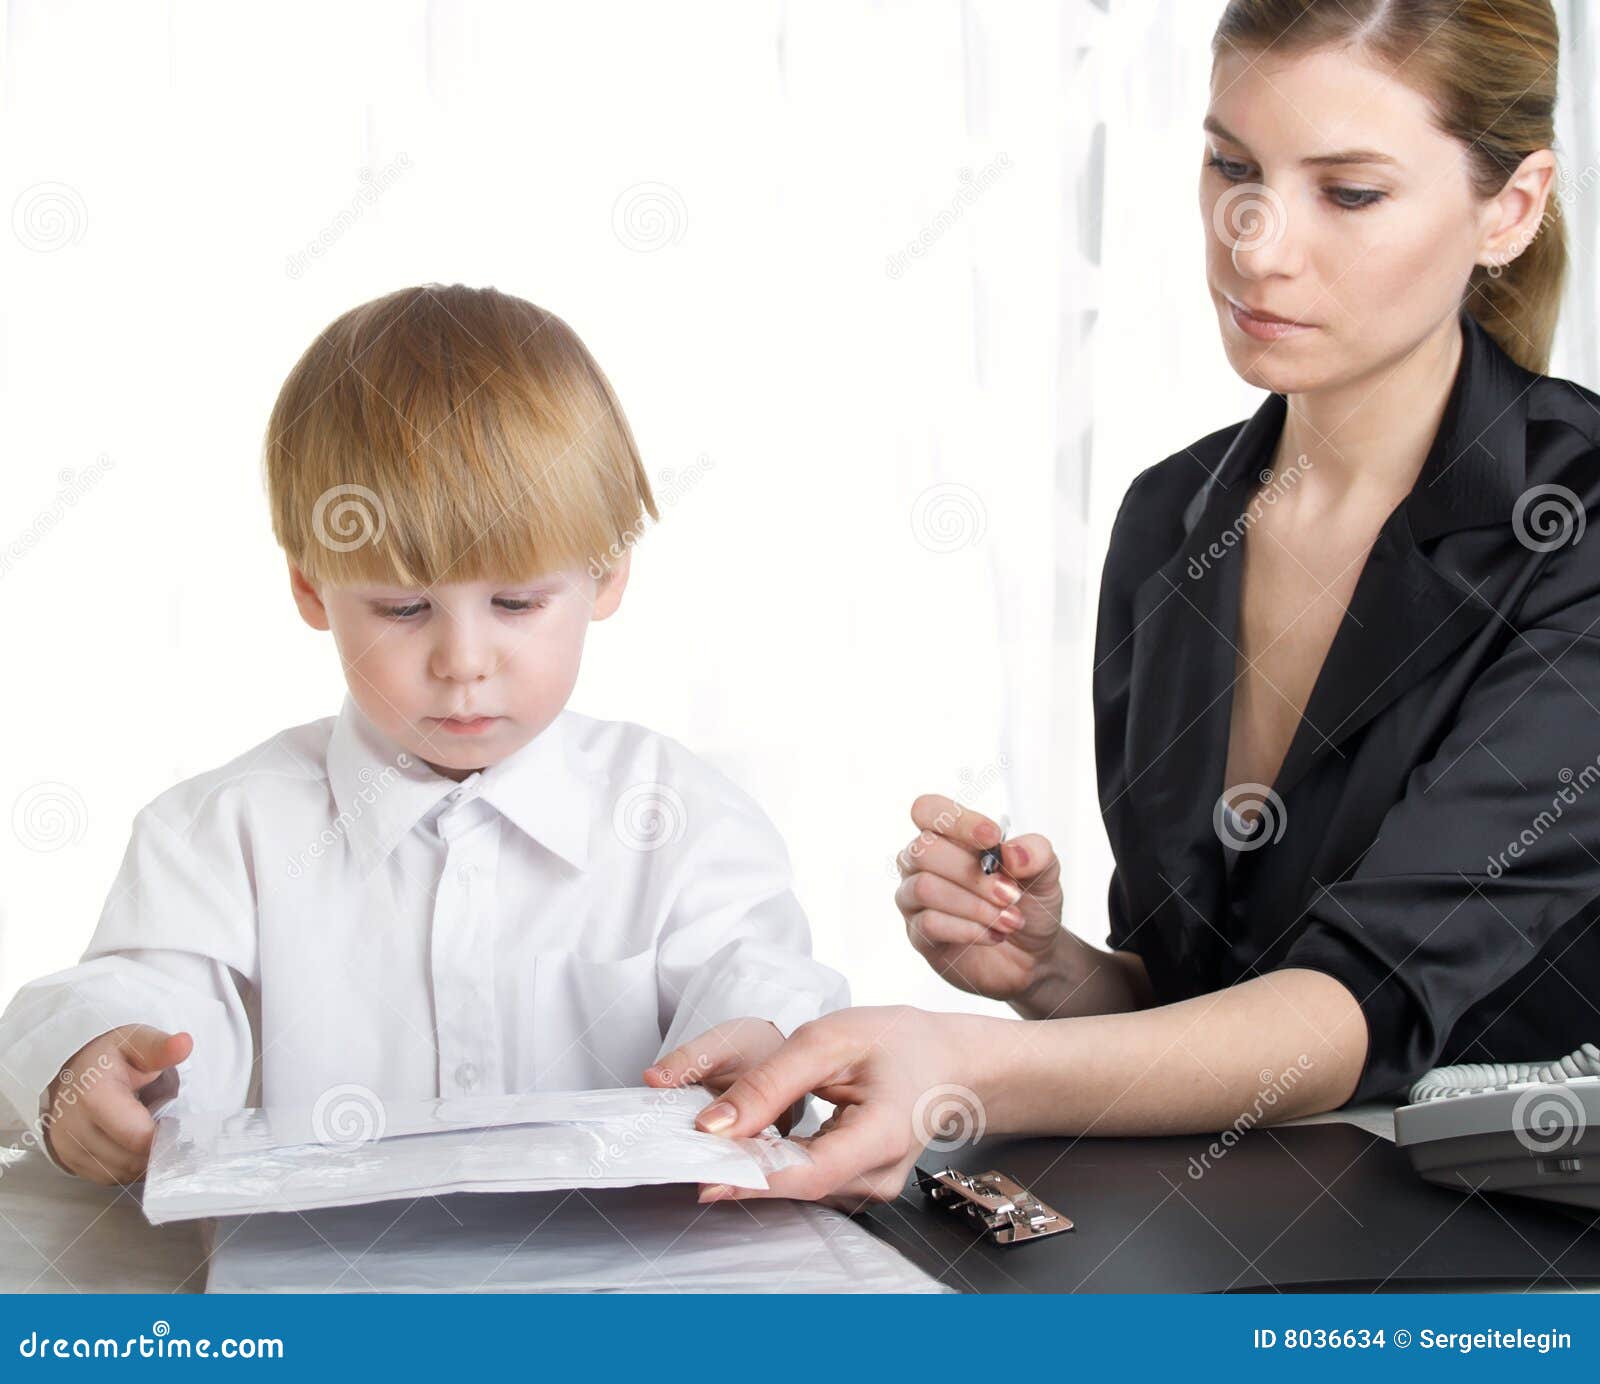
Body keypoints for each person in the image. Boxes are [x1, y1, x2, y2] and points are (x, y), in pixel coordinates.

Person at [646, 0, 1600, 1210]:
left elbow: (1366, 1003)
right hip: (1230, 1232)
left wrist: (968, 1071)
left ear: (1509, 208)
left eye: (1348, 193)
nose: (1255, 242)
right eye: (1232, 167)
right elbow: (1208, 1010)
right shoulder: (1173, 521)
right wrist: (1054, 976)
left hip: (1510, 1264)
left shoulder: (1577, 530)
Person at [0, 283, 848, 1186]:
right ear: (313, 591)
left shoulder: (679, 814)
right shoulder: (221, 831)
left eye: (517, 602)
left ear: (605, 577)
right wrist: (84, 1054)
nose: (463, 661)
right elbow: (140, 993)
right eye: (405, 608)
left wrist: (763, 1044)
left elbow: (757, 972)